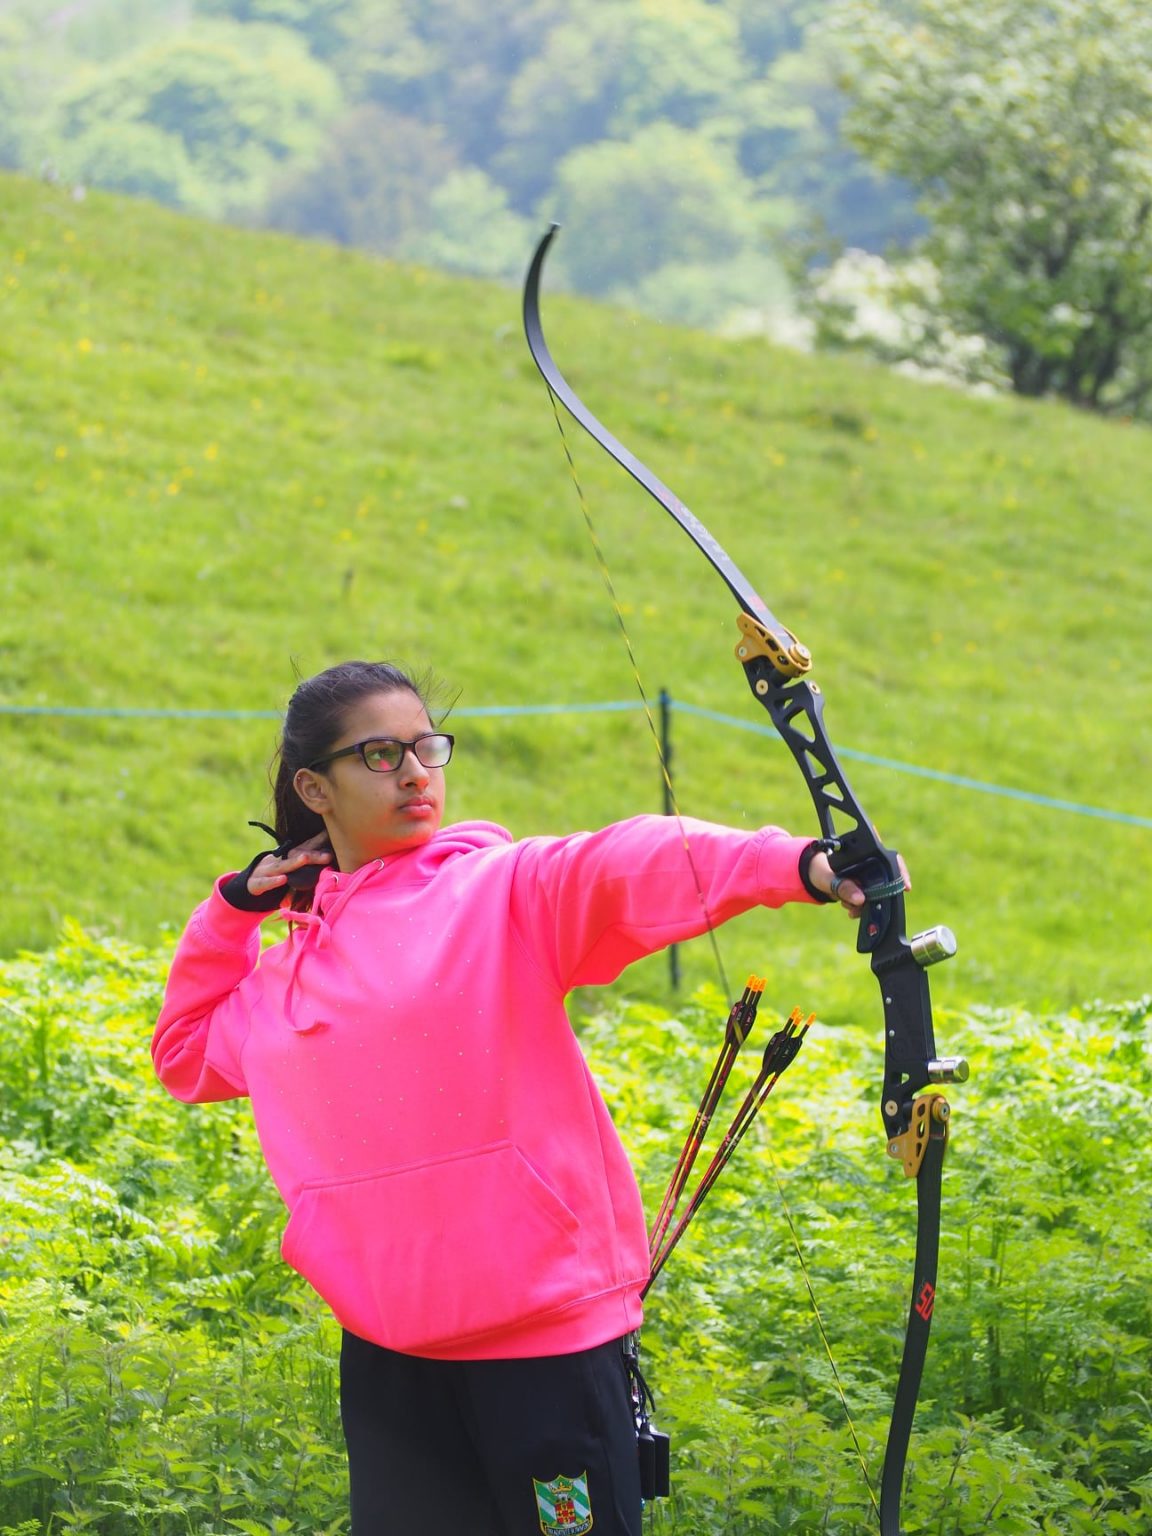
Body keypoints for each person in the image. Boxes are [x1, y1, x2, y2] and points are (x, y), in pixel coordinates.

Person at [153, 659, 870, 1536]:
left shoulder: (500, 889)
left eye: (427, 748)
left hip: (546, 1350)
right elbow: (186, 1055)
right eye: (380, 755)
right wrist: (232, 912)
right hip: (390, 1359)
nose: (417, 773)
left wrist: (800, 862)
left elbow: (622, 862)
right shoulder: (283, 978)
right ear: (316, 788)